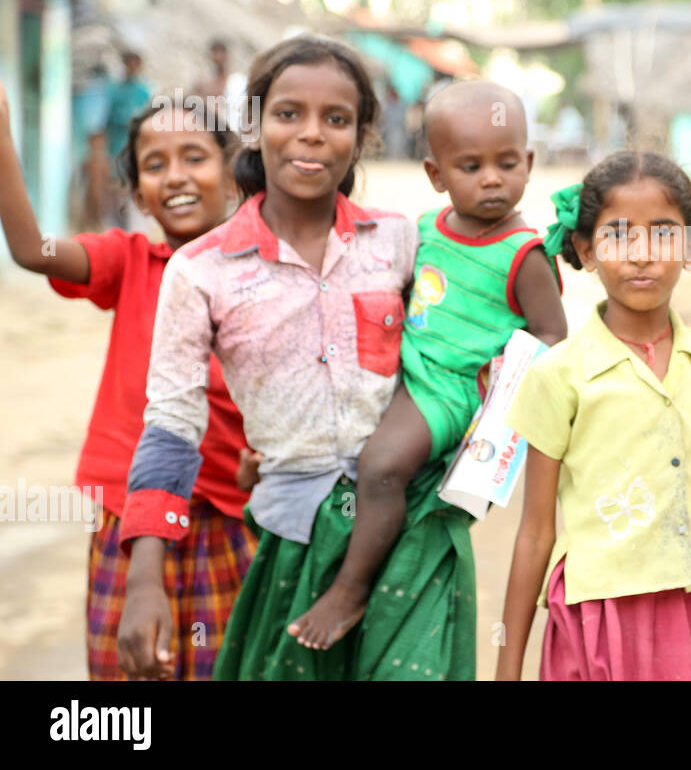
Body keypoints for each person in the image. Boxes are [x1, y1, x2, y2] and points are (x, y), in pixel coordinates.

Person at [114, 35, 431, 681]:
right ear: (255, 127)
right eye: (289, 114)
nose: (312, 135)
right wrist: (146, 574)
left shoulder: (400, 242)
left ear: (363, 137)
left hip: (408, 536)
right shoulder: (201, 271)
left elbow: (458, 356)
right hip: (292, 537)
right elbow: (173, 423)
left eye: (336, 119)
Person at [495, 150, 691, 681]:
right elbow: (534, 533)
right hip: (597, 617)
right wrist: (508, 668)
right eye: (618, 234)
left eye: (664, 233)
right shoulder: (560, 375)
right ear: (585, 248)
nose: (642, 254)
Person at [286, 80, 567, 654]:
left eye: (506, 163)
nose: (492, 178)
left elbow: (553, 333)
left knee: (382, 466)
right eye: (471, 166)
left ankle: (351, 589)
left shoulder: (524, 252)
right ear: (437, 175)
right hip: (405, 371)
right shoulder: (427, 228)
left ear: (529, 163)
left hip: (452, 390)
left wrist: (502, 392)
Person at [0, 80, 254, 680]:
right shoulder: (130, 262)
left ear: (235, 175)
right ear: (139, 194)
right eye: (155, 165)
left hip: (228, 517)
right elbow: (33, 252)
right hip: (127, 517)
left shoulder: (261, 276)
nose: (176, 176)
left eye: (195, 157)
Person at [94, 50, 153, 229]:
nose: (131, 67)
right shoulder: (114, 90)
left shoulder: (144, 91)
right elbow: (104, 122)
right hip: (116, 152)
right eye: (128, 62)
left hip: (136, 151)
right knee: (114, 192)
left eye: (135, 63)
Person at [195, 39, 248, 136]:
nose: (217, 58)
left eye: (220, 53)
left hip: (230, 131)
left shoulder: (236, 81)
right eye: (215, 54)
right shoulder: (203, 84)